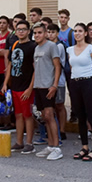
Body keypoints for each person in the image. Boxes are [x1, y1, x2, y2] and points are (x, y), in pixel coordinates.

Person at [67, 23, 92, 161]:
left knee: (91, 116)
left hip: (88, 82)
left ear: (86, 33)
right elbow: (72, 66)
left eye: (80, 31)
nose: (77, 33)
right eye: (75, 31)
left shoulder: (91, 49)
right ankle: (84, 146)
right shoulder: (69, 50)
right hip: (75, 83)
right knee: (80, 116)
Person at [32, 23, 64, 161]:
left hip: (48, 86)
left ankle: (57, 147)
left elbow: (57, 67)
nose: (37, 35)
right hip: (38, 86)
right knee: (44, 116)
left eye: (39, 32)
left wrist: (54, 85)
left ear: (45, 33)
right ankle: (50, 145)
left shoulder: (52, 46)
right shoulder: (36, 48)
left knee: (50, 115)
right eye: (35, 33)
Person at [4, 21, 37, 153]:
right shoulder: (15, 45)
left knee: (27, 115)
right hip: (15, 86)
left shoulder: (33, 46)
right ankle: (19, 142)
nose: (21, 32)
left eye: (24, 29)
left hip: (26, 86)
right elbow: (10, 65)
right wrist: (6, 83)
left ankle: (29, 143)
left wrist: (30, 88)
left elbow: (36, 69)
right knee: (18, 115)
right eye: (18, 29)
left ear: (29, 31)